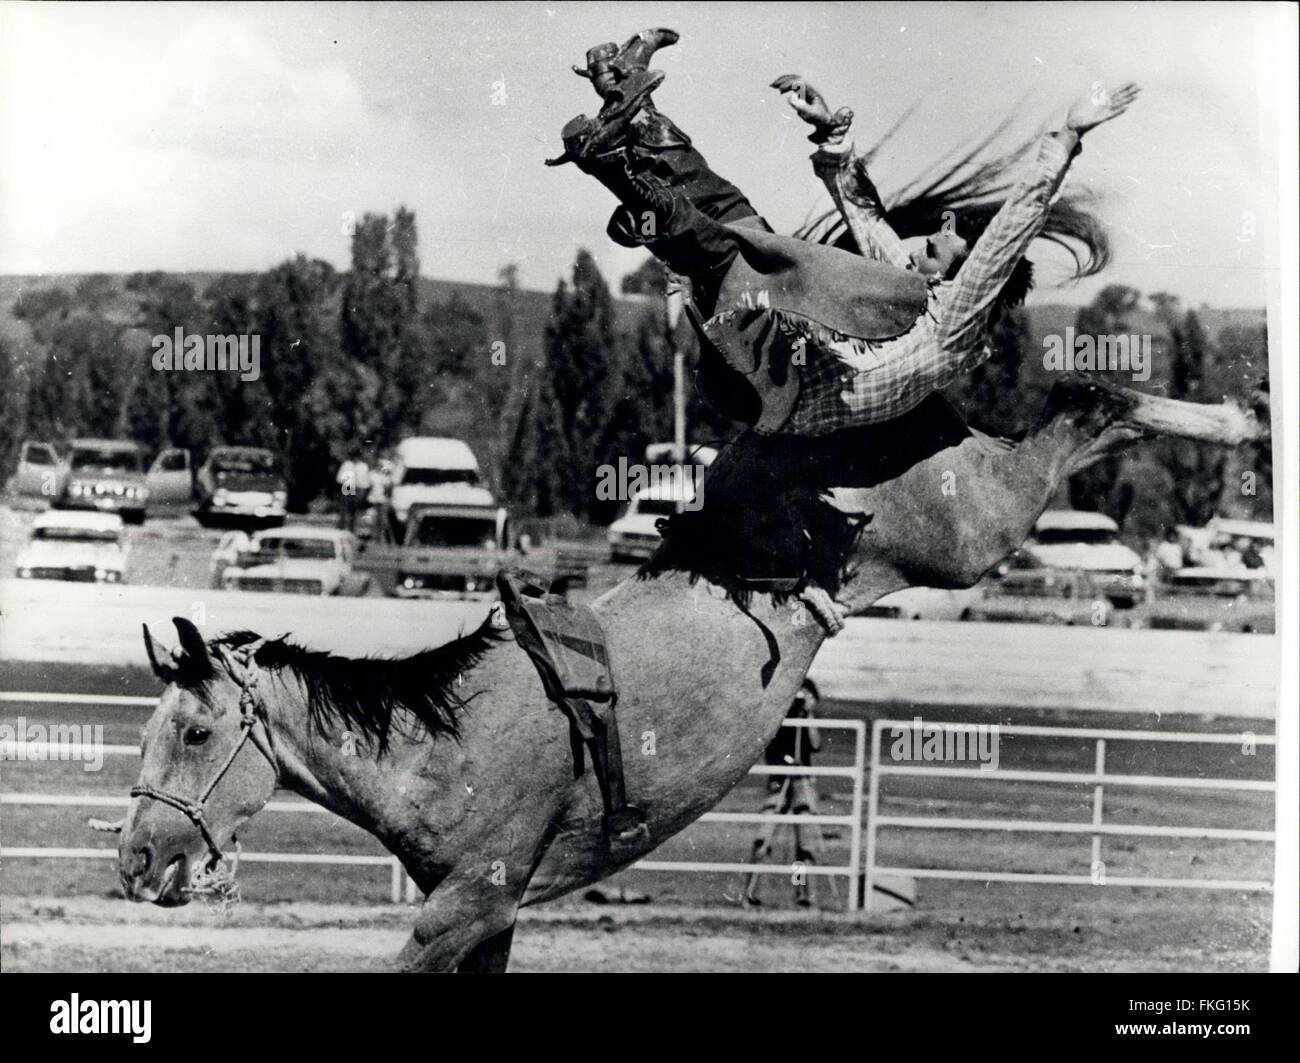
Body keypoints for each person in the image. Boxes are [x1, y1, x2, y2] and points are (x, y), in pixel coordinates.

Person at [552, 31, 1137, 439]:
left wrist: (1065, 139)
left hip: (773, 393)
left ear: (967, 279)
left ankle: (609, 162)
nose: (920, 249)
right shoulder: (914, 294)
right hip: (769, 366)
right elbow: (868, 220)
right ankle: (630, 100)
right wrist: (829, 131)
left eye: (935, 251)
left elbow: (1009, 235)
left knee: (734, 256)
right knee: (739, 217)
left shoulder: (955, 320)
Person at [744, 679, 824, 909]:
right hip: (779, 781)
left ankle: (803, 894)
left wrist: (808, 715)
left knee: (804, 844)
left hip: (802, 782)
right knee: (764, 839)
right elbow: (768, 747)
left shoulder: (806, 718)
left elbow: (816, 744)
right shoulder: (776, 717)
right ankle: (753, 894)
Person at [336, 447, 371, 532]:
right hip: (348, 486)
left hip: (358, 487)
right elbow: (340, 477)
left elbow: (365, 479)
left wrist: (363, 490)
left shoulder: (363, 466)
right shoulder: (347, 464)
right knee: (344, 506)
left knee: (354, 508)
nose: (356, 458)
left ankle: (352, 527)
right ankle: (342, 524)